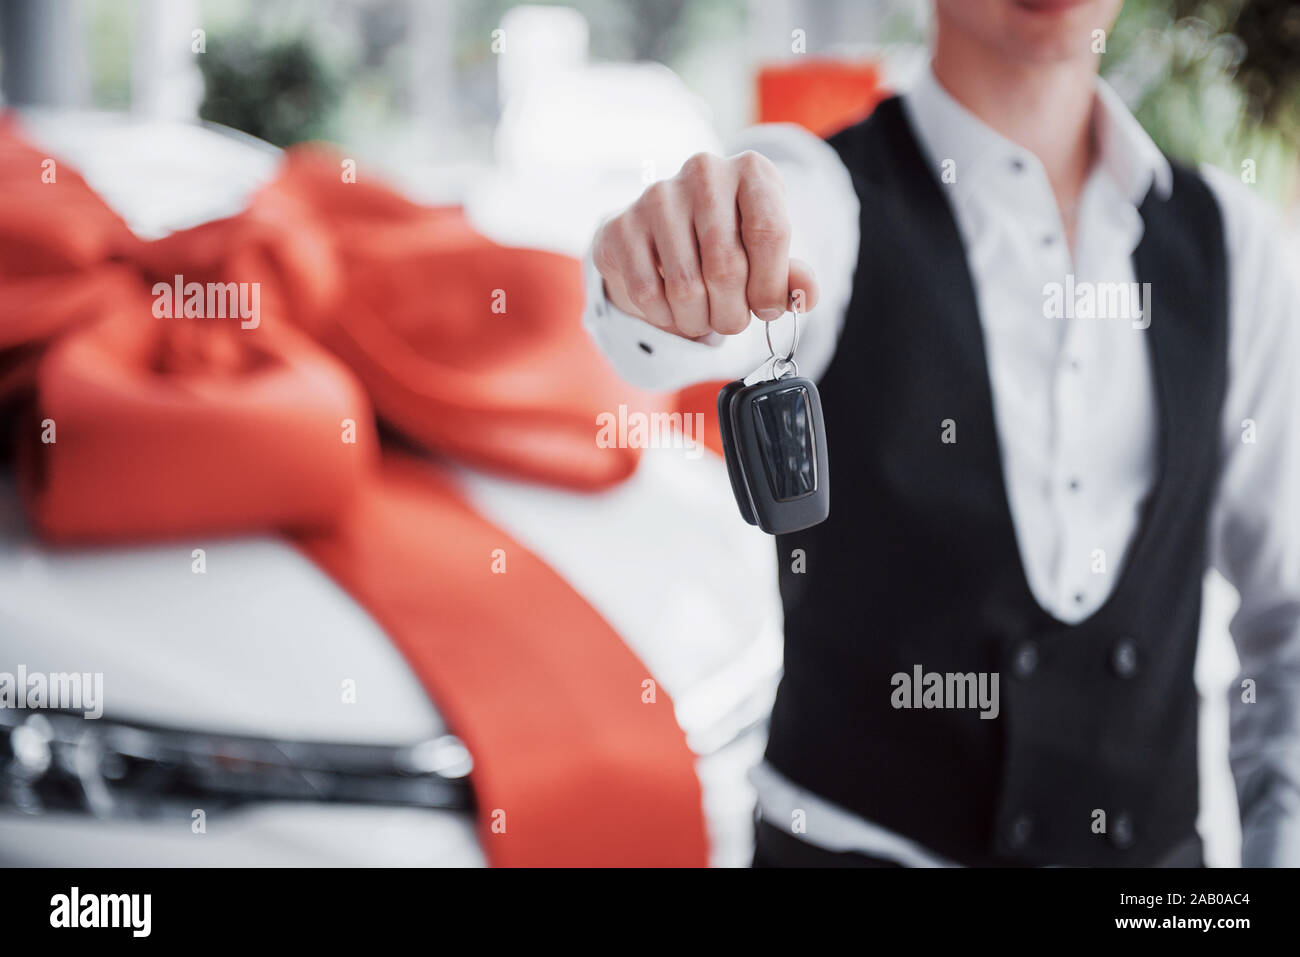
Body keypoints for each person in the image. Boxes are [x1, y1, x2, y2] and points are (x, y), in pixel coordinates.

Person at [582, 0, 1300, 867]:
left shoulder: (1236, 247)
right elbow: (730, 269)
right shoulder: (824, 192)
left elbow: (1288, 623)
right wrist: (671, 274)